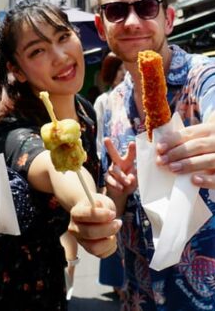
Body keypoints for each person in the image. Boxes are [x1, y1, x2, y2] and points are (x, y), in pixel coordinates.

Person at [94, 0, 215, 310]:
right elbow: (111, 204)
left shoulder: (204, 73)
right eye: (116, 11)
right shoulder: (109, 105)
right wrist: (115, 190)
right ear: (102, 27)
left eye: (146, 8)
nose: (131, 22)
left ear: (169, 19)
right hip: (142, 294)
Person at [0, 0, 120, 310]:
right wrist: (83, 203)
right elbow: (55, 166)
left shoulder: (85, 113)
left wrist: (103, 203)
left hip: (50, 278)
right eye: (38, 51)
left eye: (63, 37)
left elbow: (82, 177)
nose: (61, 56)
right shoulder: (10, 132)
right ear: (16, 70)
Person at [92, 52, 127, 295]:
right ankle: (116, 282)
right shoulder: (103, 101)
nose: (124, 75)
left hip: (129, 171)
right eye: (120, 71)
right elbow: (98, 139)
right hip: (110, 168)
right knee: (114, 227)